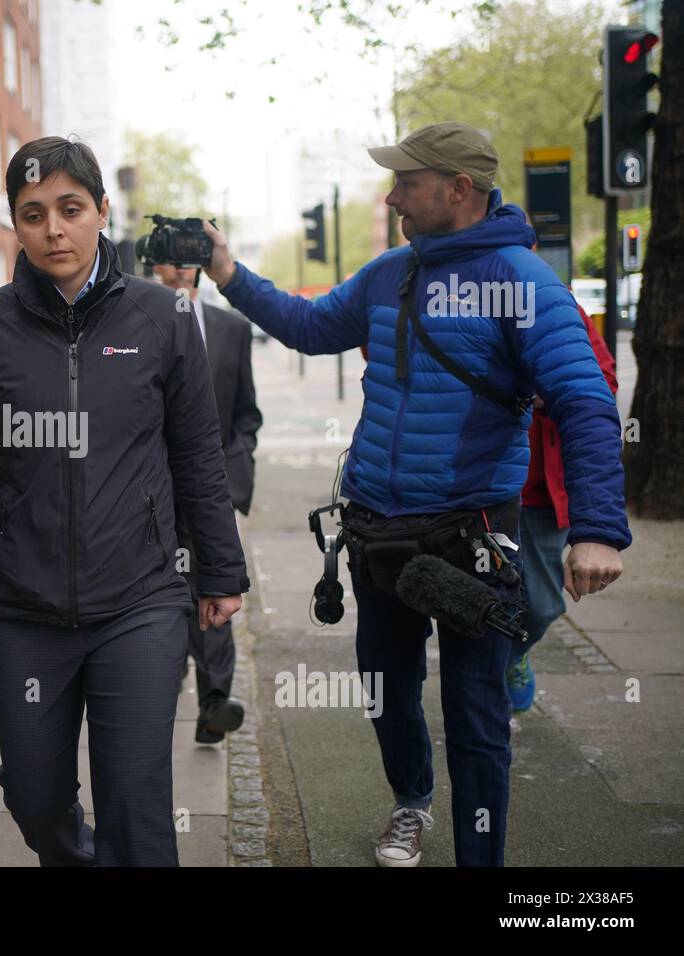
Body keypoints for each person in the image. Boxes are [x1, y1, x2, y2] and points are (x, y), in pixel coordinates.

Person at [200, 121, 630, 867]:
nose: (393, 195)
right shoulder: (388, 273)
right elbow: (307, 325)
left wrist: (597, 529)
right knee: (385, 694)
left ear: (458, 189)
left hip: (471, 537)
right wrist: (228, 271)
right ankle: (411, 803)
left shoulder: (522, 283)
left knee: (475, 715)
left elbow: (585, 402)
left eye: (407, 182)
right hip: (376, 532)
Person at [0, 136, 249, 866]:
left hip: (140, 600)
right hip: (21, 609)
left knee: (137, 802)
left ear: (102, 211)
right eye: (33, 214)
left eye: (70, 209)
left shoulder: (163, 318)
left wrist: (220, 570)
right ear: (15, 223)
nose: (53, 229)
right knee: (33, 796)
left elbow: (198, 451)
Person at [151, 263, 262, 743]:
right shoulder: (134, 320)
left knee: (214, 586)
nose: (179, 265)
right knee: (162, 591)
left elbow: (246, 415)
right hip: (150, 491)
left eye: (189, 254)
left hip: (211, 491)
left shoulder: (232, 328)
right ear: (155, 261)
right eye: (170, 254)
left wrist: (234, 476)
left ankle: (214, 702)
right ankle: (163, 675)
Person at [509, 303, 618, 711]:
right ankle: (479, 683)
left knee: (541, 604)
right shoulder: (453, 295)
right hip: (473, 488)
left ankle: (513, 655)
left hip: (540, 491)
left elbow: (603, 383)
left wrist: (548, 392)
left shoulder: (557, 301)